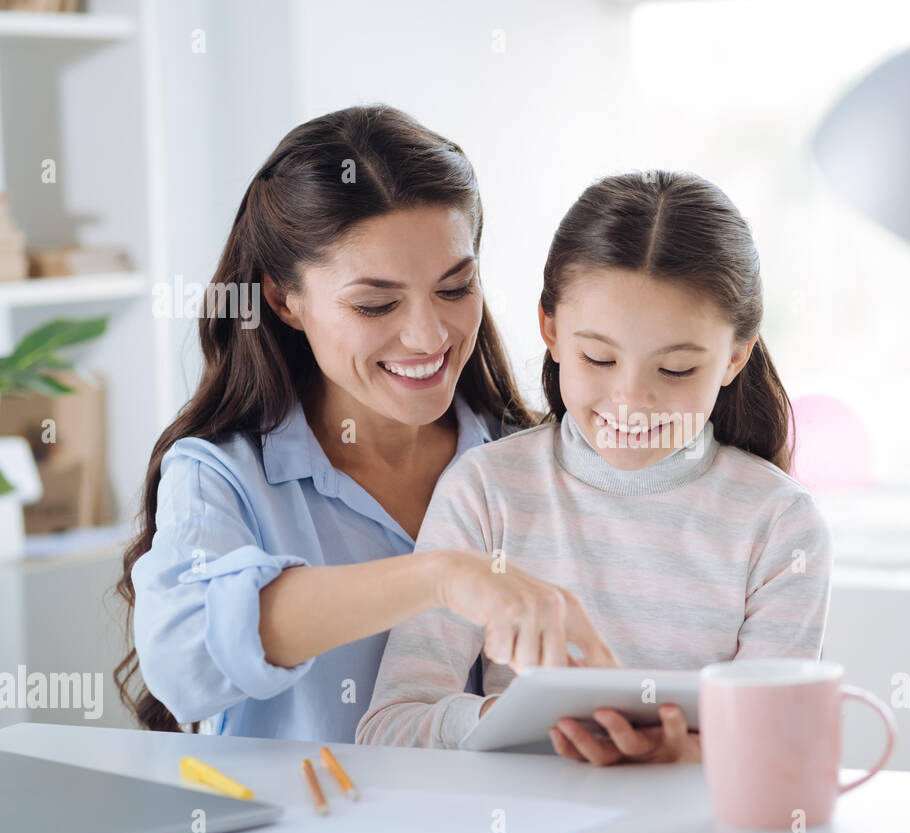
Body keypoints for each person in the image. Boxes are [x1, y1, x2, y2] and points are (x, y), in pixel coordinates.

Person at [116, 105, 615, 744]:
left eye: (455, 288)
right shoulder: (226, 477)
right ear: (283, 300)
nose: (429, 335)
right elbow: (183, 661)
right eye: (376, 303)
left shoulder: (535, 460)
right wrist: (443, 576)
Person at [357, 170, 833, 763]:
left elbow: (778, 747)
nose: (630, 401)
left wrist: (678, 753)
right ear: (551, 331)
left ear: (736, 356)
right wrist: (506, 717)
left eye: (677, 370)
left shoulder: (781, 523)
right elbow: (389, 727)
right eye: (599, 358)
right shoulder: (486, 491)